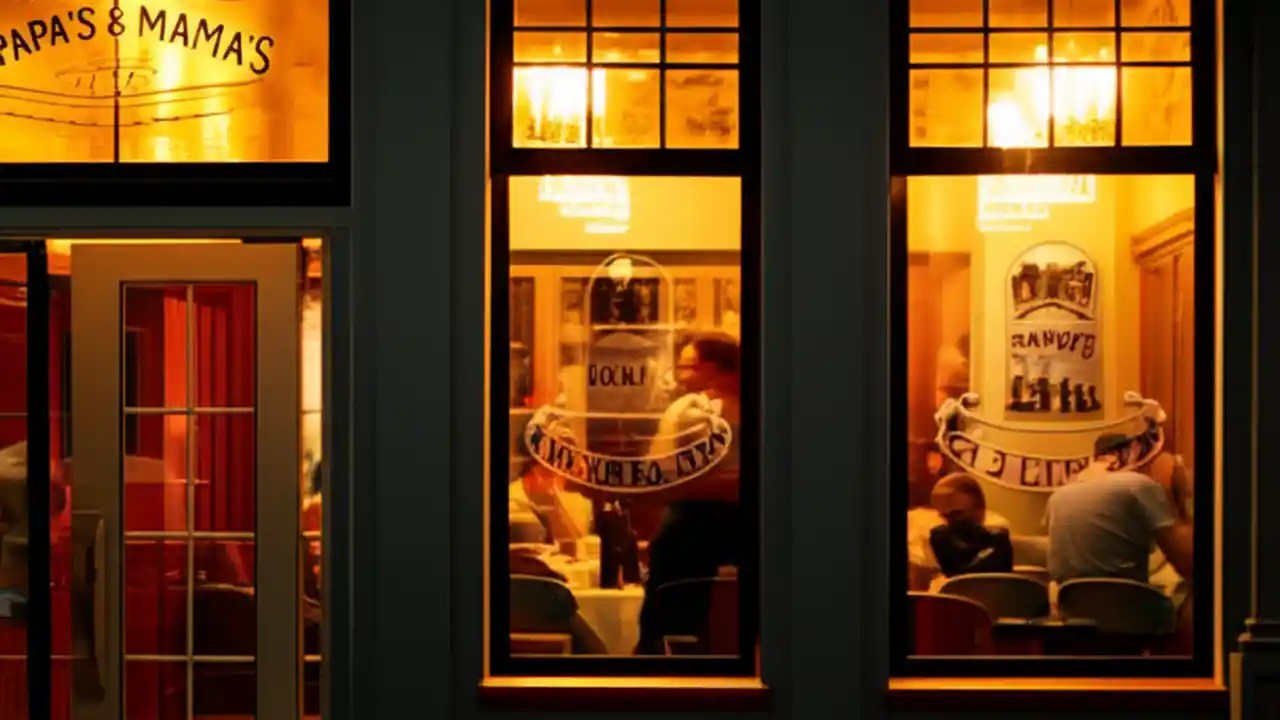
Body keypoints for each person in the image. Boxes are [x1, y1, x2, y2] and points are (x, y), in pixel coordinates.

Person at [635, 333, 742, 655]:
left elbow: (660, 478)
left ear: (710, 367)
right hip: (695, 526)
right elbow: (661, 477)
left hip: (705, 528)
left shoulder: (694, 410)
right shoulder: (691, 410)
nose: (679, 376)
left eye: (686, 366)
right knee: (676, 624)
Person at [1046, 433, 1194, 586]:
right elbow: (1185, 562)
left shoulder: (1057, 496)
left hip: (1070, 605)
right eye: (1140, 457)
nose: (1143, 466)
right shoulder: (1137, 485)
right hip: (1127, 604)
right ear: (1115, 457)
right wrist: (1180, 499)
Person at [908, 471, 1010, 591]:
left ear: (980, 510)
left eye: (957, 514)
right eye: (944, 516)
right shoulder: (933, 537)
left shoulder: (996, 534)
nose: (951, 523)